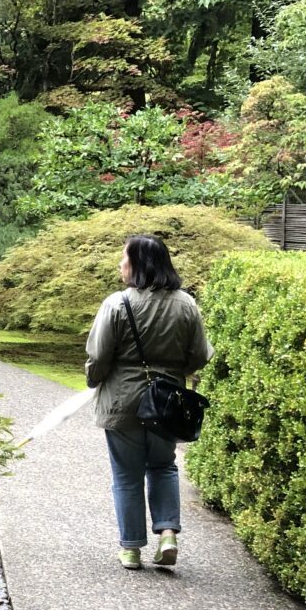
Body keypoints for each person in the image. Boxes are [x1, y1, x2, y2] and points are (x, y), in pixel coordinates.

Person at [84, 234, 213, 570]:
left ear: (139, 264)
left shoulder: (117, 303)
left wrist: (94, 379)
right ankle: (168, 535)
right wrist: (174, 372)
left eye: (124, 258)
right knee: (164, 466)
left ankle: (131, 549)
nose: (120, 264)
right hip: (167, 400)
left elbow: (98, 356)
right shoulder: (186, 304)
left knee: (126, 475)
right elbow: (200, 354)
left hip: (122, 401)